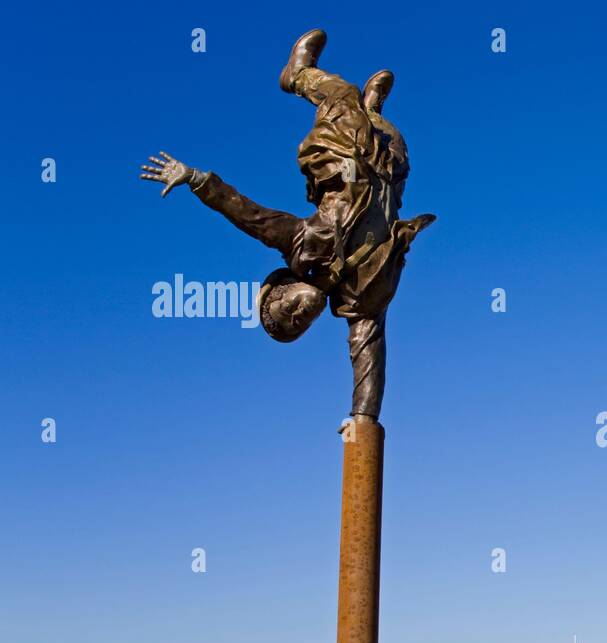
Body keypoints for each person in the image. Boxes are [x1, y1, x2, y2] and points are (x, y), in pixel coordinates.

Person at [140, 29, 433, 421]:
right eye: (298, 326)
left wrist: (194, 178)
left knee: (341, 96)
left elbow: (247, 214)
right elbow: (368, 358)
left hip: (344, 162)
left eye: (285, 311)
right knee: (394, 142)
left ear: (284, 287)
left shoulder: (301, 243)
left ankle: (297, 75)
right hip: (385, 176)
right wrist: (362, 419)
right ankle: (373, 110)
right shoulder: (359, 302)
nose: (299, 316)